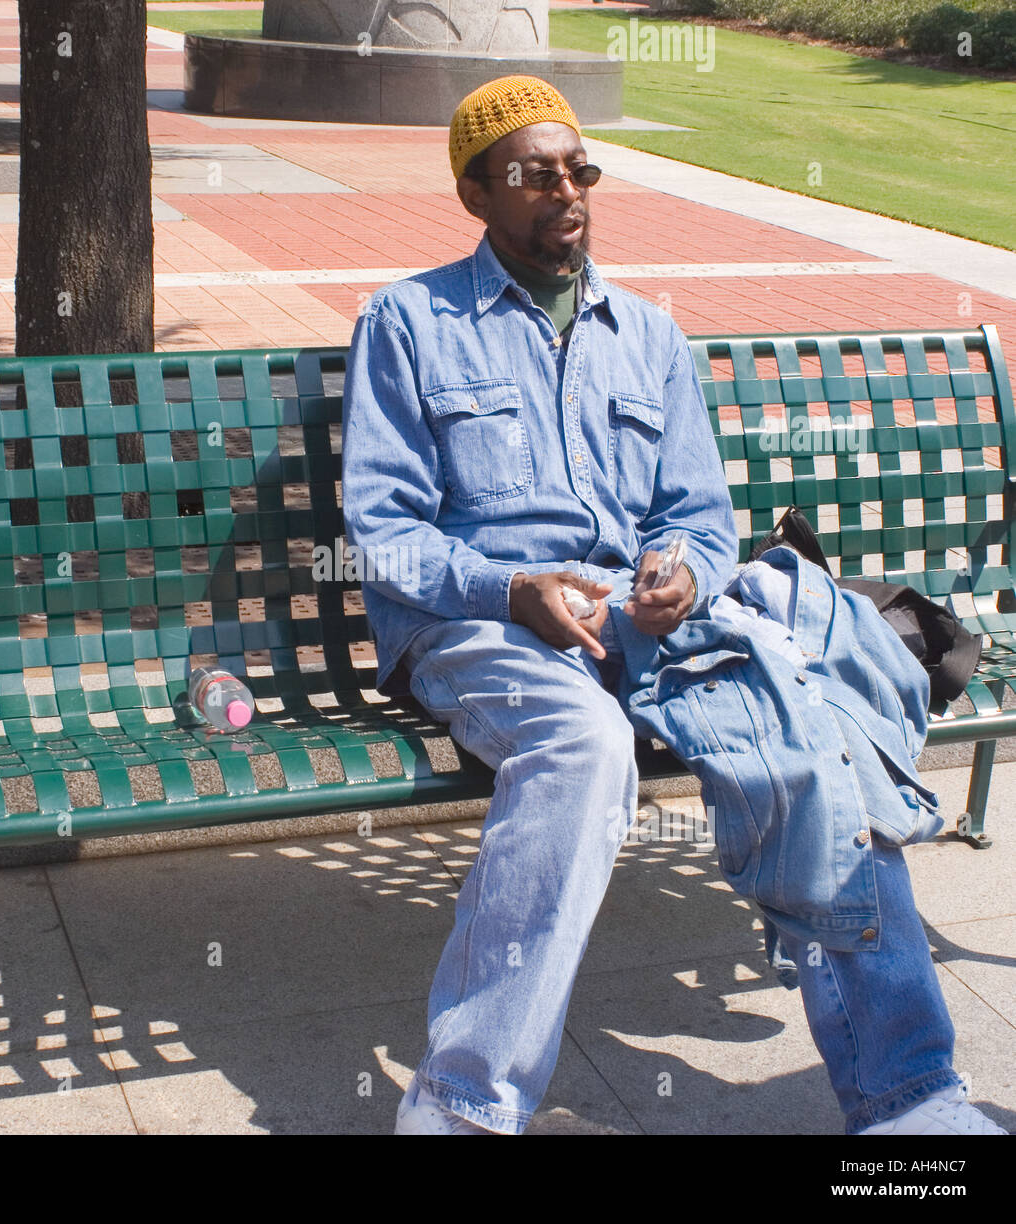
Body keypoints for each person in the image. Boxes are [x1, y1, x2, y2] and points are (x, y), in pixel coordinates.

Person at [341, 75, 1006, 1136]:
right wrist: (512, 589)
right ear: (476, 194)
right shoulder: (411, 322)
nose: (566, 189)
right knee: (583, 750)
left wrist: (685, 572)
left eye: (579, 169)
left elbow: (698, 514)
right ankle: (463, 1107)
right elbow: (381, 535)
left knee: (818, 739)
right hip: (486, 629)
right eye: (534, 173)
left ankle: (907, 1102)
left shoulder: (647, 336)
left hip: (639, 629)